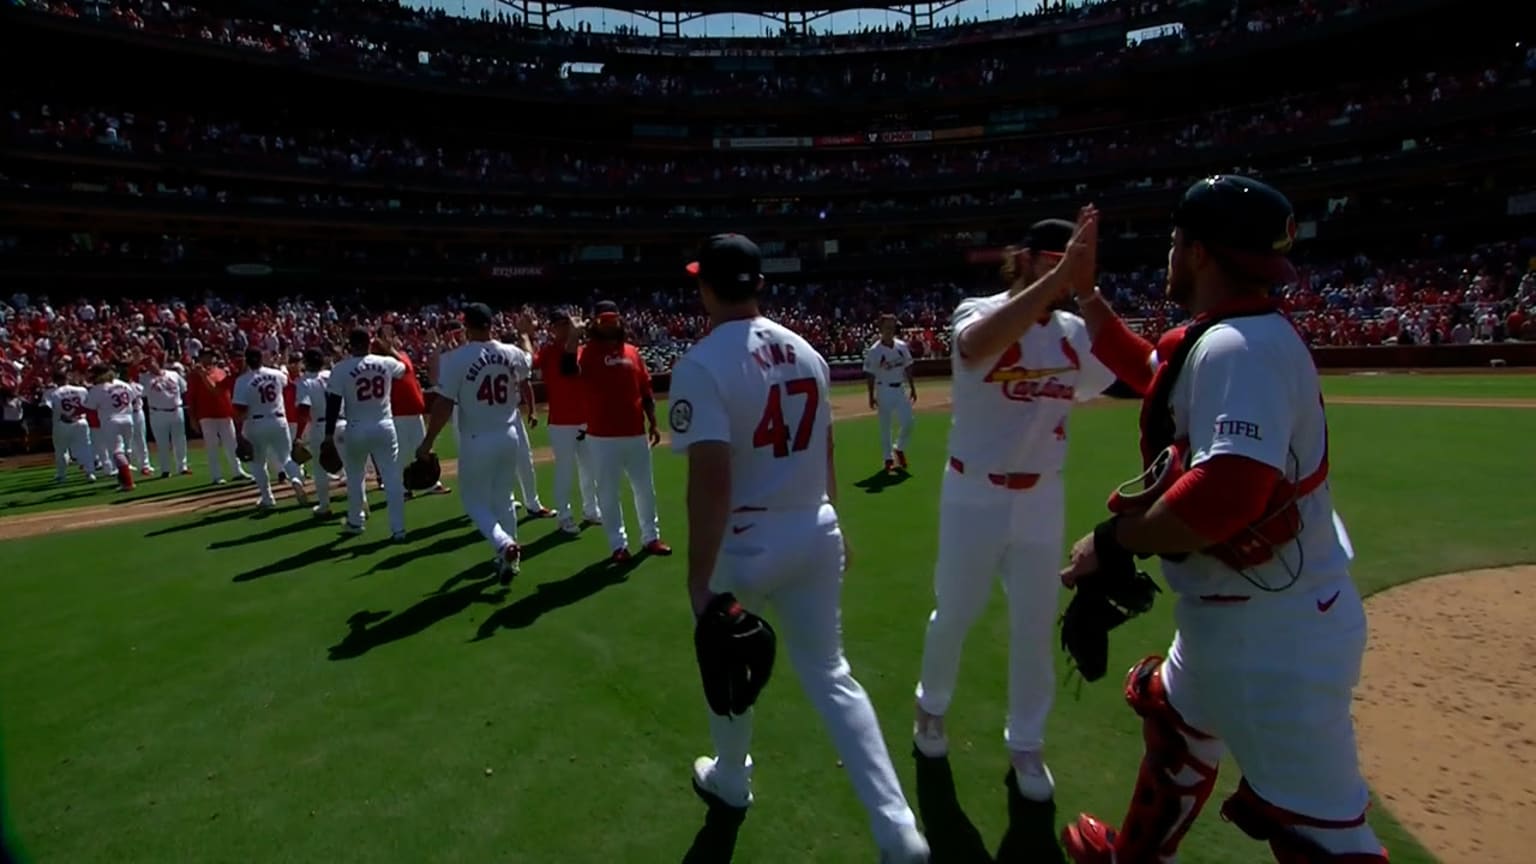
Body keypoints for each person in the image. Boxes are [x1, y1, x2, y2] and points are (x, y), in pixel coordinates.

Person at [1058, 176, 1387, 864]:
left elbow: (1228, 493)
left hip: (1273, 638)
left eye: (1176, 242)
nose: (1168, 256)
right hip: (1237, 617)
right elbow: (1146, 369)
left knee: (1325, 842)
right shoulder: (1227, 337)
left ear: (1200, 252)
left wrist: (1114, 542)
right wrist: (1084, 294)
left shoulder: (1241, 347)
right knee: (1177, 731)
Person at [671, 234, 930, 863]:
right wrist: (832, 524)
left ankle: (733, 778)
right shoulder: (807, 350)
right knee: (834, 678)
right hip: (813, 525)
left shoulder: (700, 363)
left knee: (725, 663)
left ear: (706, 288)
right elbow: (828, 450)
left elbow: (711, 478)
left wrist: (698, 579)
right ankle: (898, 831)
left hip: (746, 538)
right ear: (758, 283)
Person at [911, 210, 1116, 803]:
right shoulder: (976, 311)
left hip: (1040, 496)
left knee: (1033, 627)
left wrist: (1088, 291)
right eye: (1054, 261)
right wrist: (1057, 282)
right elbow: (976, 349)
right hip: (974, 491)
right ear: (1024, 258)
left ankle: (1026, 742)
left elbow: (1123, 375)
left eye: (1069, 263)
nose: (1062, 275)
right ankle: (931, 708)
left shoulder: (1073, 333)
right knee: (955, 611)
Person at [418, 302, 534, 584]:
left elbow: (444, 404)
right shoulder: (512, 353)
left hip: (477, 437)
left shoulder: (456, 359)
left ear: (466, 326)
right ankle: (510, 561)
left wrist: (427, 442)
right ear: (491, 324)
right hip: (509, 435)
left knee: (473, 500)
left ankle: (504, 544)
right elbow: (530, 359)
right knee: (504, 498)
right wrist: (525, 334)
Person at [578, 300, 671, 562]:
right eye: (603, 320)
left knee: (645, 488)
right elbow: (567, 369)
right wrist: (576, 335)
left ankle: (651, 537)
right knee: (608, 492)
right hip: (602, 436)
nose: (609, 324)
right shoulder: (586, 353)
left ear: (620, 320)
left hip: (635, 432)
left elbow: (645, 389)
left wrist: (652, 421)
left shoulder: (632, 351)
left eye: (613, 319)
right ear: (595, 322)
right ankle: (618, 545)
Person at [325, 328, 408, 540]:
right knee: (391, 477)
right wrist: (389, 349)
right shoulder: (385, 362)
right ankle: (398, 529)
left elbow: (333, 404)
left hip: (356, 427)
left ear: (350, 345)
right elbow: (405, 369)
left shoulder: (341, 368)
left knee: (355, 477)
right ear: (369, 342)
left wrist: (328, 436)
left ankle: (356, 520)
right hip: (384, 424)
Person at [535, 310, 602, 534]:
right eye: (560, 324)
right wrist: (524, 335)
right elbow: (529, 363)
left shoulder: (584, 350)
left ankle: (590, 510)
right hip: (561, 421)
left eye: (567, 324)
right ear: (552, 329)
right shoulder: (548, 352)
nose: (565, 328)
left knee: (589, 469)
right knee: (565, 470)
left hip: (586, 419)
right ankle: (564, 515)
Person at [377, 327, 451, 498]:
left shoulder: (400, 354)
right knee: (401, 452)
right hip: (399, 412)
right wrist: (387, 349)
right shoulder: (384, 360)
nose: (393, 338)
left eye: (393, 334)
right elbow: (402, 367)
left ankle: (432, 483)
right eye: (387, 336)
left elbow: (405, 365)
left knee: (424, 447)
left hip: (414, 411)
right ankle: (401, 488)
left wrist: (391, 349)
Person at [232, 349, 305, 510]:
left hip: (256, 422)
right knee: (286, 456)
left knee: (258, 463)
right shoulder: (277, 374)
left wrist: (238, 434)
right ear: (261, 358)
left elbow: (240, 409)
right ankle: (295, 479)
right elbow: (287, 381)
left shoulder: (242, 381)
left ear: (247, 360)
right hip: (279, 420)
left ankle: (267, 497)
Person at [862, 313, 917, 473]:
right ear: (880, 329)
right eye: (887, 327)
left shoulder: (901, 346)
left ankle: (899, 447)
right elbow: (870, 373)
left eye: (893, 327)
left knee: (909, 422)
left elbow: (908, 366)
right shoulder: (875, 351)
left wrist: (912, 387)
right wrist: (871, 395)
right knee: (885, 427)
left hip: (900, 388)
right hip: (883, 388)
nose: (890, 330)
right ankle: (888, 458)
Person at [188, 350, 250, 485]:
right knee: (212, 446)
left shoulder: (221, 371)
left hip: (225, 413)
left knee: (232, 444)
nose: (209, 359)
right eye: (206, 356)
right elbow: (191, 397)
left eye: (211, 356)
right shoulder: (195, 375)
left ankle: (237, 471)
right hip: (206, 414)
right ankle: (216, 475)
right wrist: (192, 417)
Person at [294, 348, 340, 518]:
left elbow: (304, 410)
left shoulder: (304, 381)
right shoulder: (333, 375)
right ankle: (361, 503)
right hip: (342, 422)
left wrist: (299, 436)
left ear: (305, 362)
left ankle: (324, 506)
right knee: (352, 467)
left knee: (320, 468)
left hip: (321, 426)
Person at [83, 363, 139, 491]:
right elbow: (133, 399)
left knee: (116, 451)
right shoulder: (123, 383)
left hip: (111, 421)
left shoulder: (97, 389)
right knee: (126, 449)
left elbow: (90, 407)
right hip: (128, 418)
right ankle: (123, 477)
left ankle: (128, 482)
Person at [141, 357, 190, 478]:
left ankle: (182, 466)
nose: (150, 366)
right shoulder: (145, 378)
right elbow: (143, 393)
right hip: (158, 412)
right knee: (162, 442)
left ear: (156, 362)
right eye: (147, 365)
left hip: (176, 409)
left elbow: (184, 388)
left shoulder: (173, 374)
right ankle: (165, 469)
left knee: (179, 440)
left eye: (151, 363)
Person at [44, 369, 93, 483]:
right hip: (81, 421)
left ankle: (62, 475)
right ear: (67, 378)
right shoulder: (81, 389)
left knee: (61, 450)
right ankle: (89, 473)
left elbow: (48, 407)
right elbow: (87, 405)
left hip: (62, 423)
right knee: (85, 447)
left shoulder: (53, 393)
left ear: (54, 380)